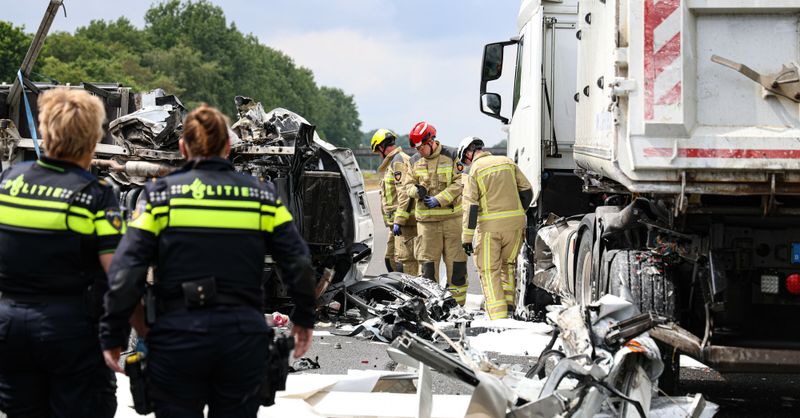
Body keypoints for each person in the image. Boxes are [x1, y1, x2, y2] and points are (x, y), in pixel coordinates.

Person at [99, 104, 315, 417]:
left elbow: (125, 271)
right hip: (242, 338)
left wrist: (112, 334)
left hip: (177, 337)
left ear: (184, 147)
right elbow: (298, 261)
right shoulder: (262, 197)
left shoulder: (159, 197)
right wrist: (304, 317)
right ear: (228, 147)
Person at [0, 88, 124, 417]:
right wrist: (120, 335)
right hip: (71, 331)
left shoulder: (8, 181)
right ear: (92, 137)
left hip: (10, 328)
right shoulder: (95, 195)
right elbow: (119, 276)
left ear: (44, 130)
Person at [458, 136, 533, 319]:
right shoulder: (507, 162)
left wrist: (467, 238)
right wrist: (517, 212)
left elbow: (471, 206)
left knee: (489, 271)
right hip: (515, 227)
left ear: (469, 152)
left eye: (465, 159)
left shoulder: (474, 170)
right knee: (507, 266)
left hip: (490, 228)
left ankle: (498, 317)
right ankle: (509, 308)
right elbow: (527, 190)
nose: (467, 163)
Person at [397, 121, 468, 305]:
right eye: (417, 148)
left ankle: (457, 305)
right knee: (427, 267)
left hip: (452, 221)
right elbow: (407, 185)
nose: (419, 151)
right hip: (427, 224)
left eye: (421, 147)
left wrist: (440, 199)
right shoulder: (414, 161)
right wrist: (416, 191)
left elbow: (460, 182)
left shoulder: (452, 155)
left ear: (431, 141)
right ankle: (432, 305)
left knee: (457, 267)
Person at [371, 128, 419, 275]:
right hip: (396, 224)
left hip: (404, 223)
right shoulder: (393, 162)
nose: (379, 155)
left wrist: (399, 220)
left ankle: (413, 294)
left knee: (404, 262)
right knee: (390, 259)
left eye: (378, 152)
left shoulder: (398, 161)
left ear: (381, 147)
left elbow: (404, 193)